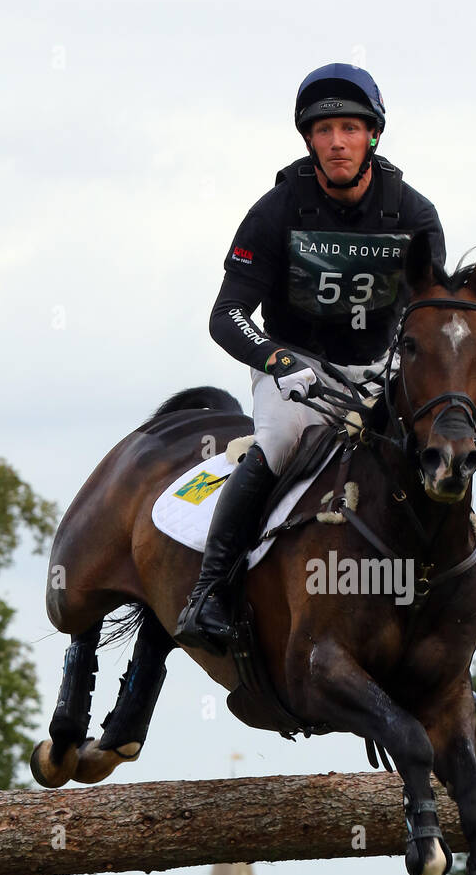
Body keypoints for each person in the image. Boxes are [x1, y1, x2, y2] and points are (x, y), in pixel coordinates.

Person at [174, 63, 447, 656]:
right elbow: (228, 315)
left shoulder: (415, 215)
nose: (337, 142)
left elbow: (426, 315)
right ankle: (210, 593)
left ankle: (443, 637)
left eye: (350, 128)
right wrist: (274, 359)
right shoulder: (276, 211)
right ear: (308, 140)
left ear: (373, 135)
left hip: (377, 370)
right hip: (295, 368)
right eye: (324, 131)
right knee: (278, 446)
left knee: (431, 457)